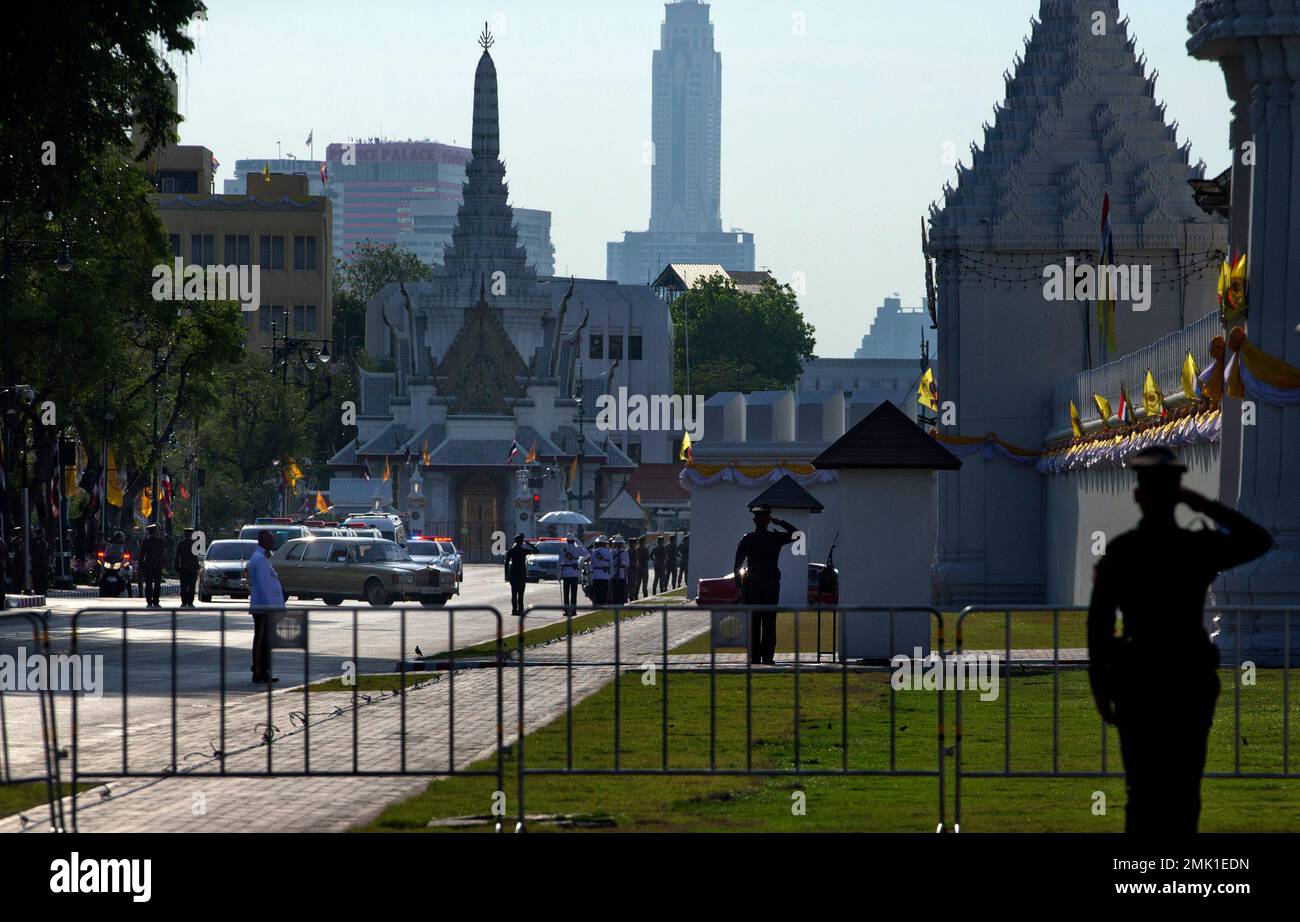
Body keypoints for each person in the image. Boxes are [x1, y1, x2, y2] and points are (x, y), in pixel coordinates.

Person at [1089, 446, 1272, 834]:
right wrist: (1202, 504)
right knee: (1184, 788)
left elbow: (1100, 626)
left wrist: (1101, 688)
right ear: (1177, 495)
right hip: (1188, 676)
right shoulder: (1196, 548)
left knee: (1141, 788)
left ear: (1138, 496)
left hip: (1138, 677)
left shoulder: (1121, 552)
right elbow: (1257, 540)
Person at [734, 503, 798, 665]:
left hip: (752, 586)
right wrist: (779, 522)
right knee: (769, 622)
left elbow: (737, 565)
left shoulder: (747, 538)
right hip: (770, 585)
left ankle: (755, 657)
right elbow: (798, 535)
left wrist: (740, 587)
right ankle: (767, 657)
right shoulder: (774, 538)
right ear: (768, 520)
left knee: (754, 623)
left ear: (754, 521)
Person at [247, 530, 284, 684]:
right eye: (270, 539)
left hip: (263, 606)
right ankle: (260, 671)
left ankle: (262, 670)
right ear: (263, 541)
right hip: (263, 607)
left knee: (264, 640)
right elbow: (264, 586)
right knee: (262, 641)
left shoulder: (259, 557)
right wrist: (272, 608)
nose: (272, 542)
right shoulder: (260, 559)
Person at [504, 533, 537, 617]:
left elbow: (506, 564)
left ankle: (514, 610)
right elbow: (536, 551)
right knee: (521, 594)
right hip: (521, 574)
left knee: (514, 594)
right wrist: (529, 543)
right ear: (522, 542)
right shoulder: (523, 551)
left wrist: (506, 575)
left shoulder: (511, 551)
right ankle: (521, 610)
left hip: (513, 574)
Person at [559, 534, 587, 617]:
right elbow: (587, 554)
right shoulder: (577, 548)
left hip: (566, 573)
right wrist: (579, 542)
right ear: (573, 540)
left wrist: (558, 574)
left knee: (566, 593)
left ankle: (567, 610)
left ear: (567, 540)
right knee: (573, 593)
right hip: (574, 573)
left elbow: (559, 563)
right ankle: (573, 610)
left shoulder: (563, 549)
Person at [139, 523, 166, 608]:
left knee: (149, 584)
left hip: (148, 565)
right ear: (155, 532)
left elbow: (142, 555)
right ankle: (156, 601)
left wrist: (141, 565)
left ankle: (149, 601)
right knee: (157, 584)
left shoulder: (146, 541)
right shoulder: (161, 541)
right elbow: (171, 543)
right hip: (157, 565)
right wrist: (165, 535)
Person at [174, 526, 200, 608]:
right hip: (192, 569)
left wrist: (176, 566)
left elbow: (177, 557)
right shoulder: (195, 544)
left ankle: (184, 602)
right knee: (191, 586)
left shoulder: (181, 544)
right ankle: (190, 603)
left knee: (184, 586)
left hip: (184, 568)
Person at [589, 536, 612, 606]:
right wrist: (611, 576)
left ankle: (596, 606)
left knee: (597, 593)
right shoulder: (608, 552)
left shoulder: (594, 552)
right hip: (605, 576)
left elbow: (591, 563)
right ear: (605, 544)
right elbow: (611, 565)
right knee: (604, 594)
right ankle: (603, 607)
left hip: (596, 575)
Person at [610, 535, 629, 605]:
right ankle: (614, 604)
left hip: (621, 572)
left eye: (620, 543)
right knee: (614, 591)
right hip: (614, 572)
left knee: (621, 590)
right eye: (617, 543)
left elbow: (627, 563)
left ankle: (621, 604)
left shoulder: (625, 552)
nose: (618, 544)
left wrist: (621, 562)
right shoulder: (612, 552)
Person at [626, 536, 641, 602]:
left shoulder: (626, 551)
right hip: (633, 569)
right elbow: (636, 562)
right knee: (633, 584)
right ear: (633, 543)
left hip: (627, 569)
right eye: (635, 543)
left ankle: (627, 596)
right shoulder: (635, 551)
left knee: (627, 584)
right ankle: (631, 597)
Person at [636, 535, 650, 599]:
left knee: (638, 583)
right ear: (643, 542)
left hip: (638, 568)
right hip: (644, 568)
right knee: (645, 583)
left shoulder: (637, 549)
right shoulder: (646, 549)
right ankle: (645, 595)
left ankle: (636, 595)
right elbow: (647, 558)